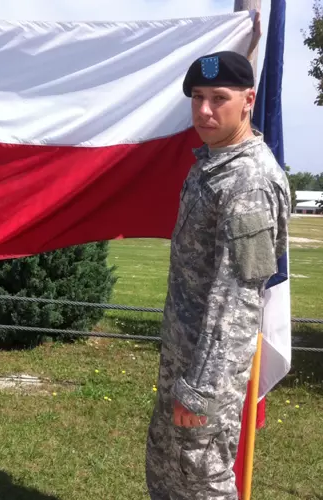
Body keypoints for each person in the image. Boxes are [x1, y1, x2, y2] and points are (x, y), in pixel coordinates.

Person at [145, 29, 291, 500]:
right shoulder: (211, 163)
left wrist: (201, 387)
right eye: (198, 98)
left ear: (249, 100)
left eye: (219, 99)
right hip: (184, 355)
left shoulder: (249, 180)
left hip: (209, 370)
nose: (205, 111)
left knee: (202, 479)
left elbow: (238, 296)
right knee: (167, 470)